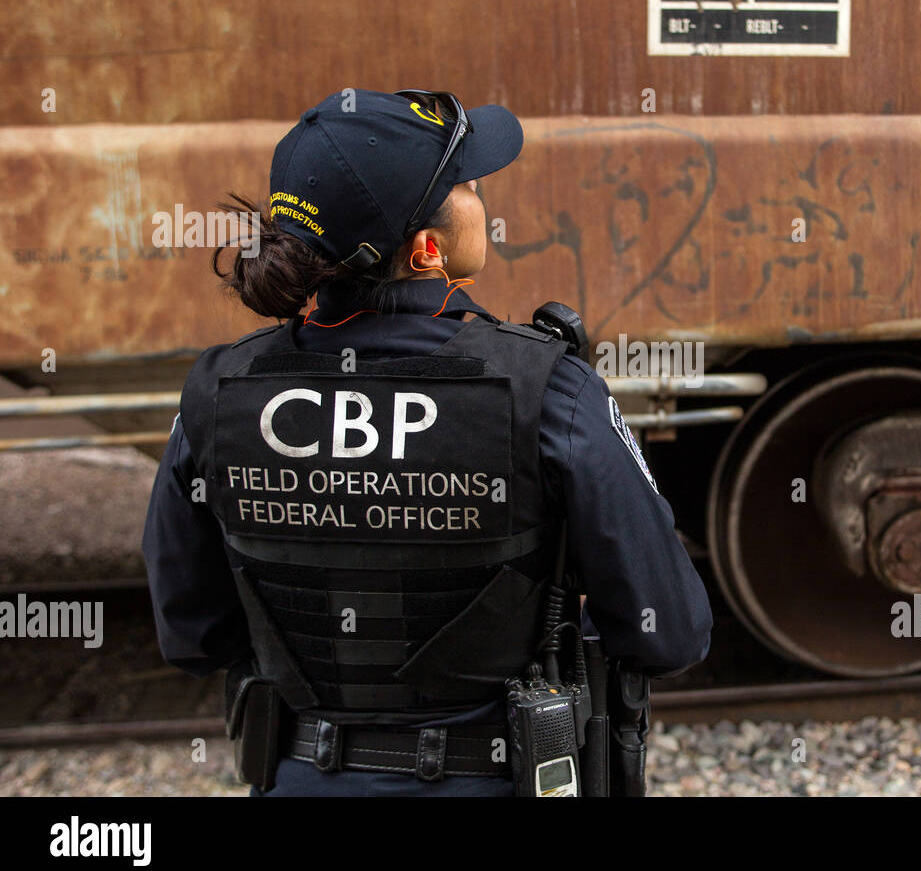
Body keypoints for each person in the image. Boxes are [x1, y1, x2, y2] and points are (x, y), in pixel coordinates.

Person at [141, 88, 713, 796]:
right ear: (425, 249)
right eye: (467, 184)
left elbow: (192, 637)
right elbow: (670, 632)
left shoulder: (218, 392)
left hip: (295, 774)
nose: (482, 195)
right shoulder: (548, 390)